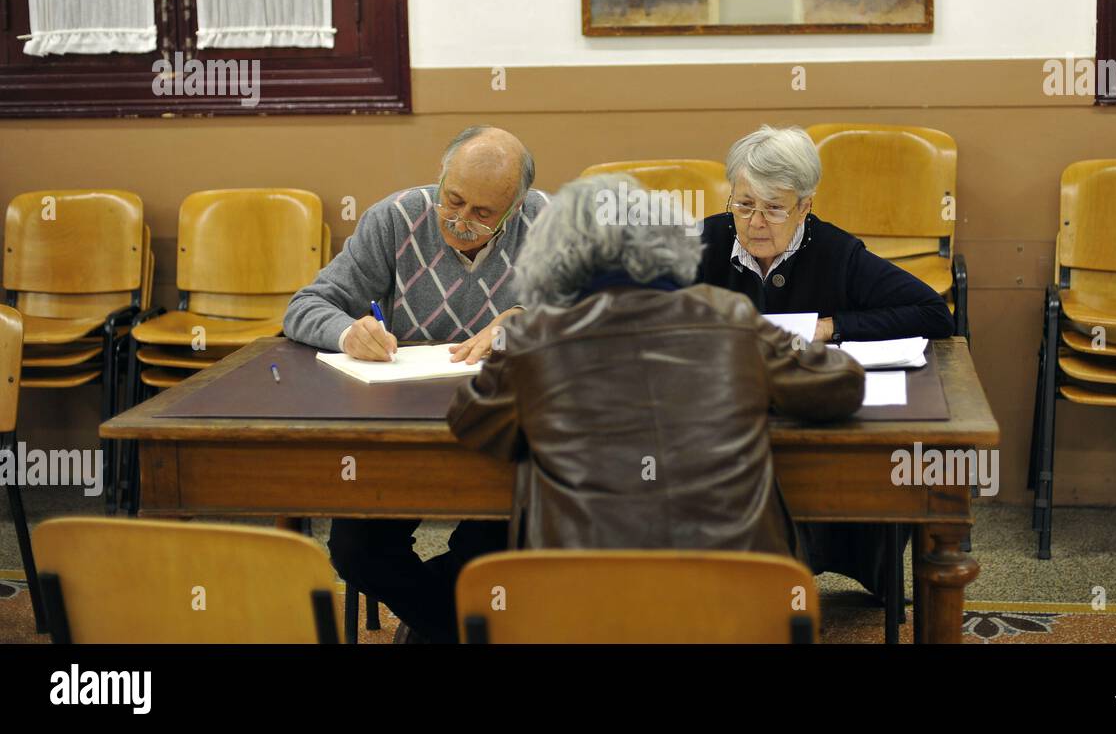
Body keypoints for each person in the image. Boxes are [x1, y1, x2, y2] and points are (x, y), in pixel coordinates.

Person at [447, 173, 865, 555]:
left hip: (579, 601)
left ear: (550, 254)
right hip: (735, 596)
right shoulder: (730, 317)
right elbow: (841, 384)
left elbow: (472, 421)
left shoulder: (532, 341)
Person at [282, 125, 547, 642]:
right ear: (441, 178)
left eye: (483, 213)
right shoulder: (395, 218)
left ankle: (432, 627)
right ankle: (450, 630)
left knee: (503, 544)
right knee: (355, 550)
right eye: (453, 199)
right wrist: (345, 332)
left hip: (505, 433)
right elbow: (305, 306)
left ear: (514, 209)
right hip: (399, 428)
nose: (460, 220)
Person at [696, 125, 955, 599]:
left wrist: (831, 327)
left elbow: (932, 313)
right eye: (744, 204)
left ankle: (784, 576)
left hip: (810, 420)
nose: (756, 222)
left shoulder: (836, 252)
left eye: (775, 208)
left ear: (804, 207)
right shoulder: (702, 241)